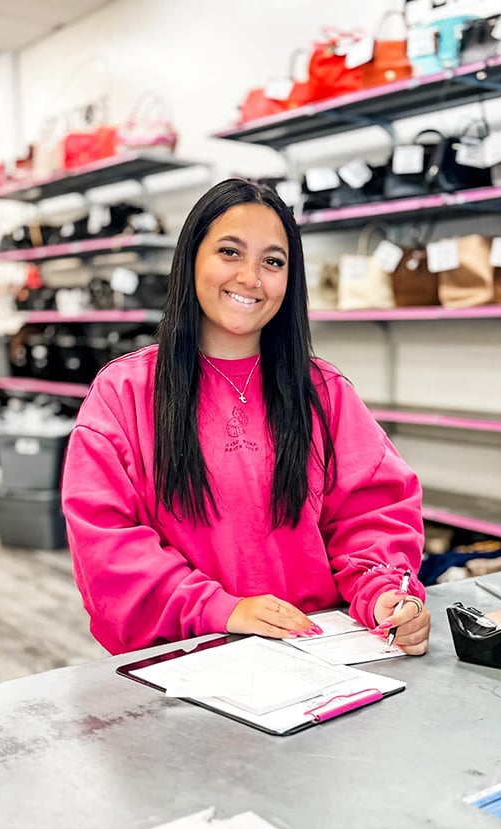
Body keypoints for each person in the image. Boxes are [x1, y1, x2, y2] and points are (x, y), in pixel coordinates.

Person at [61, 177, 430, 655]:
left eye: (272, 261)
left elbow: (372, 512)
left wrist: (384, 594)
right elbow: (105, 544)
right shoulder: (125, 393)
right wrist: (222, 609)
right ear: (192, 257)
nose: (251, 278)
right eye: (230, 252)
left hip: (319, 656)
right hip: (182, 665)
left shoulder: (323, 391)